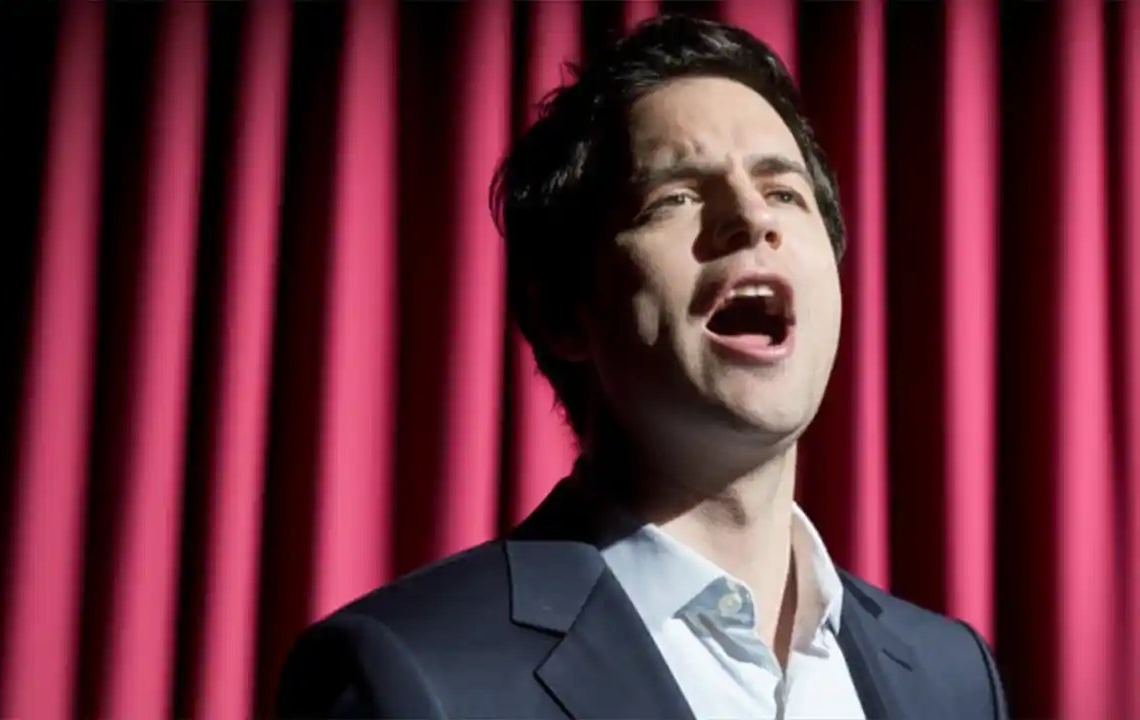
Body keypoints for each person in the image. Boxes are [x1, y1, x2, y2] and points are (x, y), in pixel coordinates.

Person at [277, 15, 1007, 720]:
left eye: (784, 192)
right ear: (566, 315)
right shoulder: (409, 673)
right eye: (676, 197)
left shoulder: (953, 679)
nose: (752, 218)